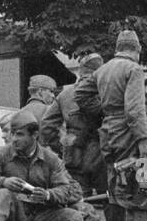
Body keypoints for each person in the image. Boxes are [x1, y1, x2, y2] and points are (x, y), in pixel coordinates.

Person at [79, 30, 147, 203]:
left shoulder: (103, 69)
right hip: (127, 132)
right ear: (137, 49)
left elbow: (80, 94)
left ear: (118, 48)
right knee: (135, 182)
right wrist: (143, 141)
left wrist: (104, 110)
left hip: (107, 132)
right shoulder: (134, 69)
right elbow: (134, 110)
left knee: (113, 179)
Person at [42, 52, 106, 194]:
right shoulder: (105, 92)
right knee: (107, 199)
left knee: (78, 201)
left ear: (81, 71)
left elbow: (46, 126)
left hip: (74, 156)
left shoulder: (65, 95)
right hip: (101, 156)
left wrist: (61, 147)